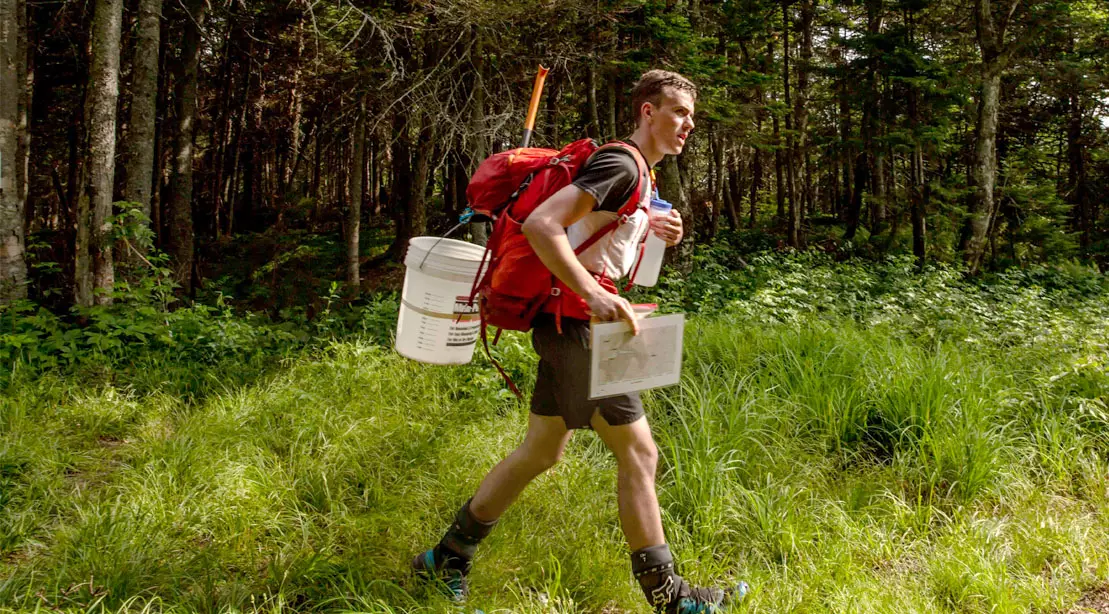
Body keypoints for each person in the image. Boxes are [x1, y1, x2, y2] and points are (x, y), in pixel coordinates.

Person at [412, 69, 748, 614]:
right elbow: (543, 225)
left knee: (542, 450)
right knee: (640, 452)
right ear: (647, 111)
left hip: (569, 321)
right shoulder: (621, 164)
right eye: (679, 111)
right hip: (577, 327)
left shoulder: (643, 178)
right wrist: (592, 292)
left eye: (691, 115)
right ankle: (672, 598)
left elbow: (607, 254)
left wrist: (658, 233)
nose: (688, 123)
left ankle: (446, 558)